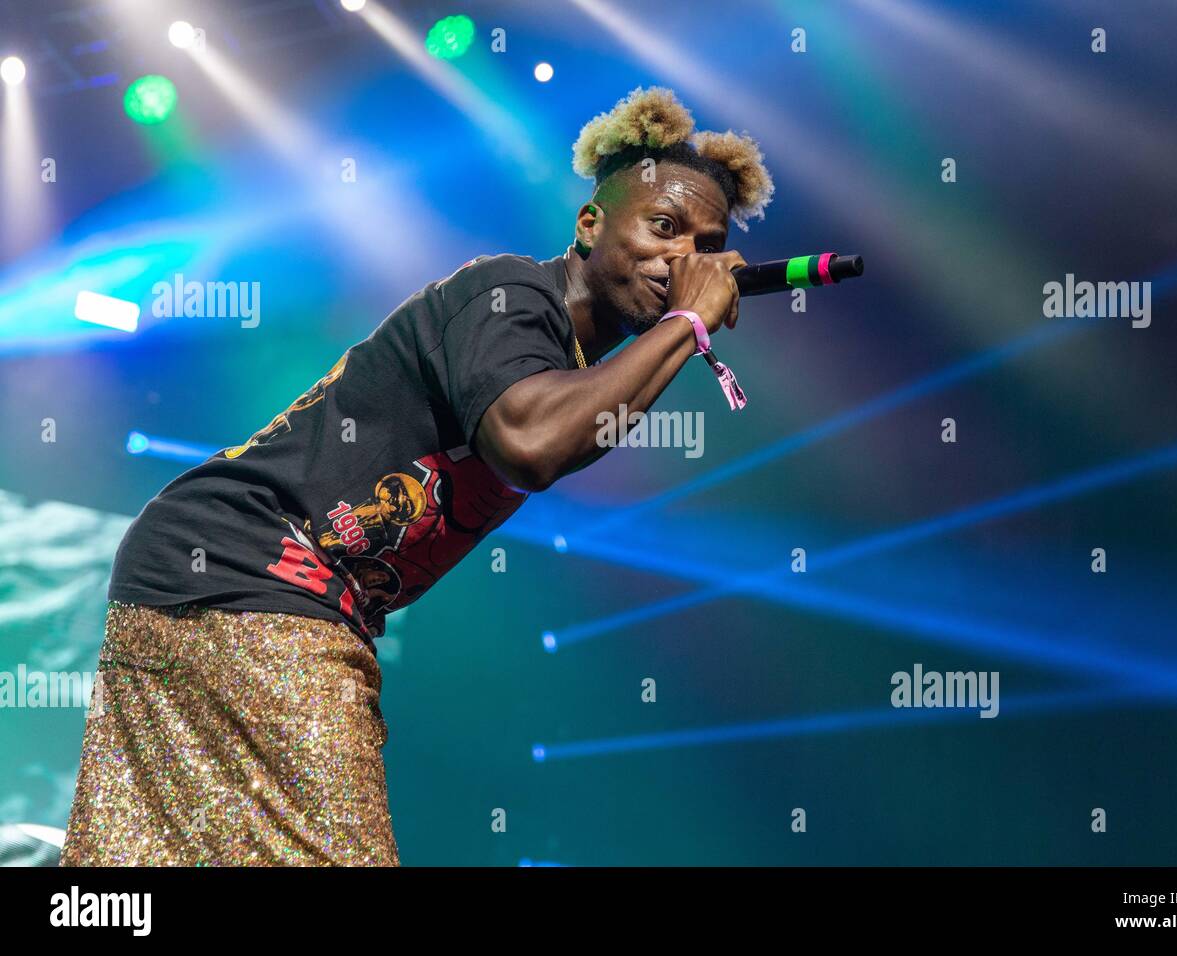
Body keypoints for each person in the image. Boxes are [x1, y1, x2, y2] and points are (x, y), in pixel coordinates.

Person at [60, 86, 774, 866]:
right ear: (590, 223)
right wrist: (687, 322)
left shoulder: (568, 361)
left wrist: (677, 332)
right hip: (250, 571)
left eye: (704, 246)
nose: (682, 259)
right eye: (663, 228)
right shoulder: (508, 292)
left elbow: (571, 422)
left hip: (207, 574)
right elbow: (531, 442)